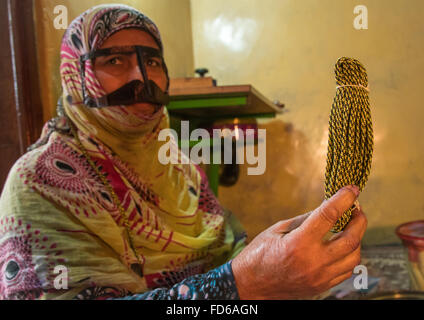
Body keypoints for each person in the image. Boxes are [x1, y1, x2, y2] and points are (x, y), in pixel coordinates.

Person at [0, 4, 367, 300]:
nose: (142, 79)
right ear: (75, 75)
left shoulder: (179, 166)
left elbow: (229, 257)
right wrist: (245, 284)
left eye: (153, 62)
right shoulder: (40, 182)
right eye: (114, 61)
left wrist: (287, 259)